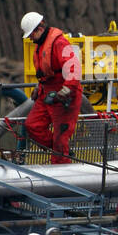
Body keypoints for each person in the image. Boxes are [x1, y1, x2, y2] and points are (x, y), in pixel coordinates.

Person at [20, 11, 82, 164]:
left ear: (39, 29)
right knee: (32, 126)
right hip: (46, 94)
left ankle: (61, 163)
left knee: (61, 138)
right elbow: (45, 73)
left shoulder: (59, 43)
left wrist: (66, 90)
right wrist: (38, 87)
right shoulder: (41, 45)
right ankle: (62, 152)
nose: (30, 38)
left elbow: (73, 68)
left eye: (30, 35)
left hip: (63, 96)